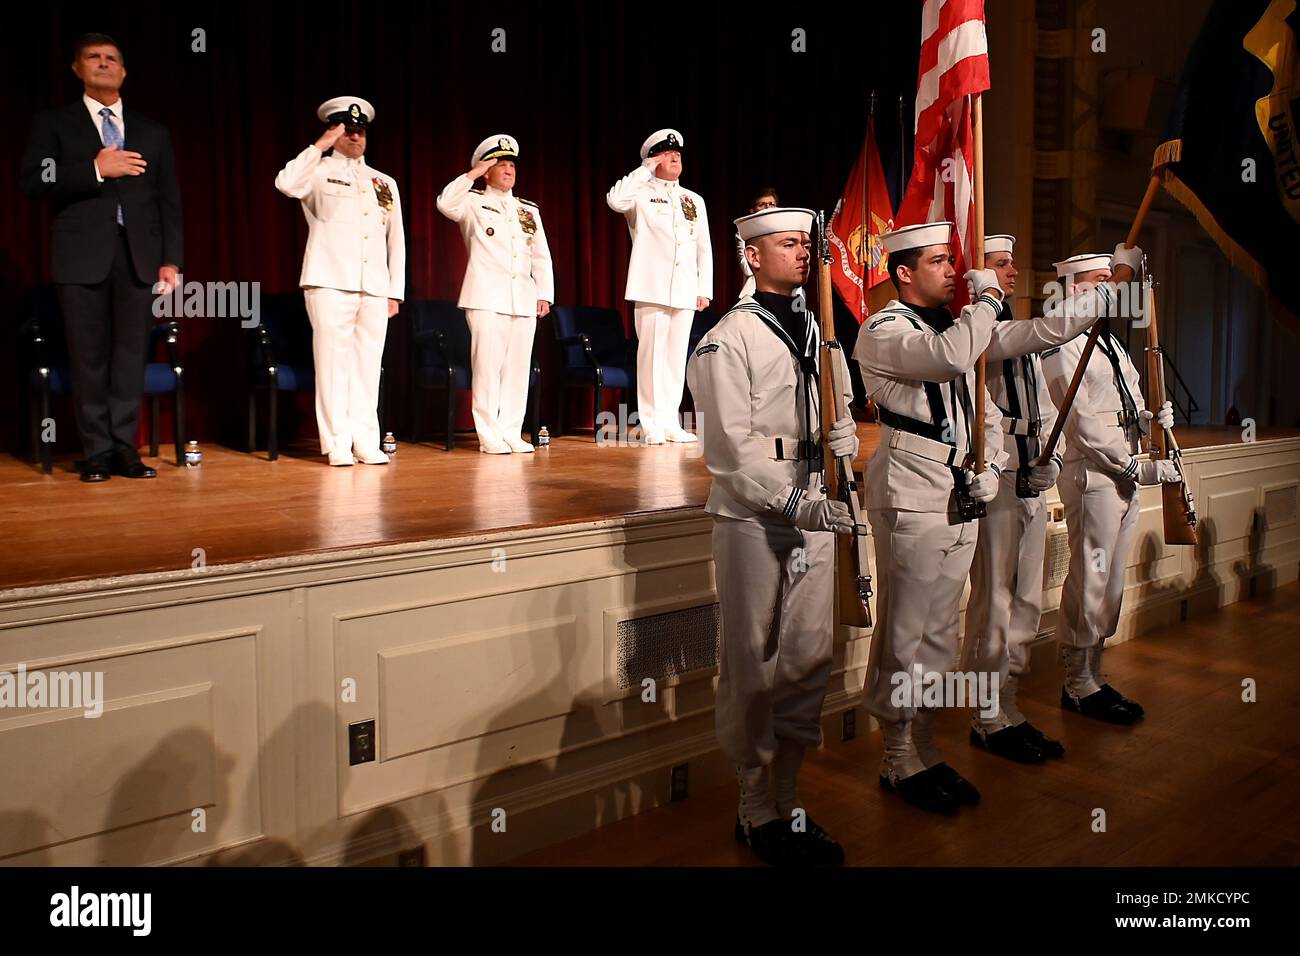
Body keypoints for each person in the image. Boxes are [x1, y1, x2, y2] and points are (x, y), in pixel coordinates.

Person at [686, 206, 857, 866]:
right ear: (752, 256)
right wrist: (791, 499)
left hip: (815, 502)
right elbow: (728, 447)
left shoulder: (817, 328)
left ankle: (788, 798)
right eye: (787, 244)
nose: (802, 254)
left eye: (806, 245)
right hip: (756, 517)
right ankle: (755, 807)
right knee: (753, 664)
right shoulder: (729, 336)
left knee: (808, 658)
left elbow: (830, 404)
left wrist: (840, 443)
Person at [960, 235, 1140, 762]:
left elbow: (1045, 408)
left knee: (1026, 600)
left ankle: (1009, 706)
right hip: (997, 474)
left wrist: (1052, 458)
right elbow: (1053, 329)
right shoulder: (979, 334)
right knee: (995, 597)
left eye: (1012, 262)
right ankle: (987, 714)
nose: (1011, 270)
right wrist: (1121, 283)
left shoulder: (1020, 329)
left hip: (1032, 470)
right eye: (997, 264)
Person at [852, 221, 1006, 815]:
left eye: (952, 260)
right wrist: (988, 301)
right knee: (904, 632)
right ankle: (895, 757)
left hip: (961, 490)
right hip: (912, 492)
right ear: (903, 273)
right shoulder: (884, 328)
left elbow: (981, 408)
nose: (953, 271)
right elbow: (947, 362)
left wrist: (991, 463)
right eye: (940, 261)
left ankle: (924, 747)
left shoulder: (954, 328)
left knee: (941, 634)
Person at [20, 32, 183, 482]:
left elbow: (168, 201)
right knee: (88, 357)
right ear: (77, 69)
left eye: (112, 58)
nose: (104, 63)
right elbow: (35, 181)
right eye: (93, 57)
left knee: (130, 357)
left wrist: (171, 260)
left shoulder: (153, 130)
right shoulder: (54, 123)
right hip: (80, 256)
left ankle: (124, 449)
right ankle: (95, 452)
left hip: (138, 258)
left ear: (124, 70)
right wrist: (95, 169)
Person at [1040, 250, 1177, 725]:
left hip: (1122, 471)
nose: (1113, 287)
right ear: (1074, 287)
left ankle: (1095, 672)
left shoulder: (1108, 344)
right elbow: (1078, 421)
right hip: (1094, 474)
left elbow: (1129, 397)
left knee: (1113, 580)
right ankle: (1076, 681)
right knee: (1090, 577)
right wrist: (1131, 468)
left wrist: (1149, 418)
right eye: (1102, 279)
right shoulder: (1061, 342)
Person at [275, 97, 405, 466]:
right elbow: (285, 183)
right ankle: (336, 443)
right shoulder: (316, 170)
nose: (355, 136)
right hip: (329, 281)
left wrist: (394, 291)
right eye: (347, 130)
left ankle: (366, 440)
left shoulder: (383, 182)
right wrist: (320, 145)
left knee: (368, 366)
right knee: (333, 364)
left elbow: (395, 238)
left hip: (375, 287)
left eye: (359, 130)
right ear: (334, 131)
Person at [437, 135, 553, 454]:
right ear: (486, 170)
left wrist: (544, 293)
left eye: (511, 164)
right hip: (486, 298)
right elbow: (445, 203)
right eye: (500, 164)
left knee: (517, 368)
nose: (508, 170)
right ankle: (489, 433)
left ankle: (512, 430)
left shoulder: (527, 210)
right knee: (488, 367)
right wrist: (472, 174)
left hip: (523, 298)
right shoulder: (473, 202)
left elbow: (540, 255)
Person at [607, 128, 711, 445]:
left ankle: (670, 421)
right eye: (667, 153)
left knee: (675, 358)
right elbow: (614, 200)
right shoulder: (639, 192)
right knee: (651, 357)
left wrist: (703, 287)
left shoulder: (693, 199)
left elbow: (702, 247)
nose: (674, 156)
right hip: (650, 286)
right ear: (653, 158)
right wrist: (644, 171)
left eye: (677, 153)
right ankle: (650, 421)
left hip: (684, 289)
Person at [737, 187, 778, 298]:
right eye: (762, 204)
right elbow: (747, 269)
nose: (768, 207)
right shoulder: (743, 232)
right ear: (753, 210)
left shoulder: (787, 231)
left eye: (771, 204)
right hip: (754, 291)